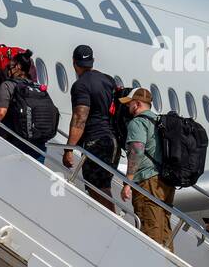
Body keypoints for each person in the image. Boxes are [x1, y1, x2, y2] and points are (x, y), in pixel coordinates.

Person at [62, 45, 121, 211]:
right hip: (111, 141)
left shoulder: (81, 85)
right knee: (103, 187)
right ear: (92, 61)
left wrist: (68, 149)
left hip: (96, 142)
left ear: (74, 63)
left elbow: (80, 118)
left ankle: (112, 226)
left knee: (98, 190)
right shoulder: (108, 80)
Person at [118, 88, 174, 249]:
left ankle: (152, 265)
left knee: (149, 227)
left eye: (129, 104)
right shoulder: (159, 122)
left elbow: (136, 150)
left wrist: (128, 182)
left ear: (137, 104)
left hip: (148, 181)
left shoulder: (138, 122)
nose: (128, 107)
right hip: (165, 181)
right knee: (163, 228)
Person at [0, 51, 47, 163]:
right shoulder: (37, 88)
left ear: (17, 67)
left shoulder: (8, 85)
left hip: (14, 141)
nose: (8, 70)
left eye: (10, 66)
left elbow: (0, 113)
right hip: (37, 143)